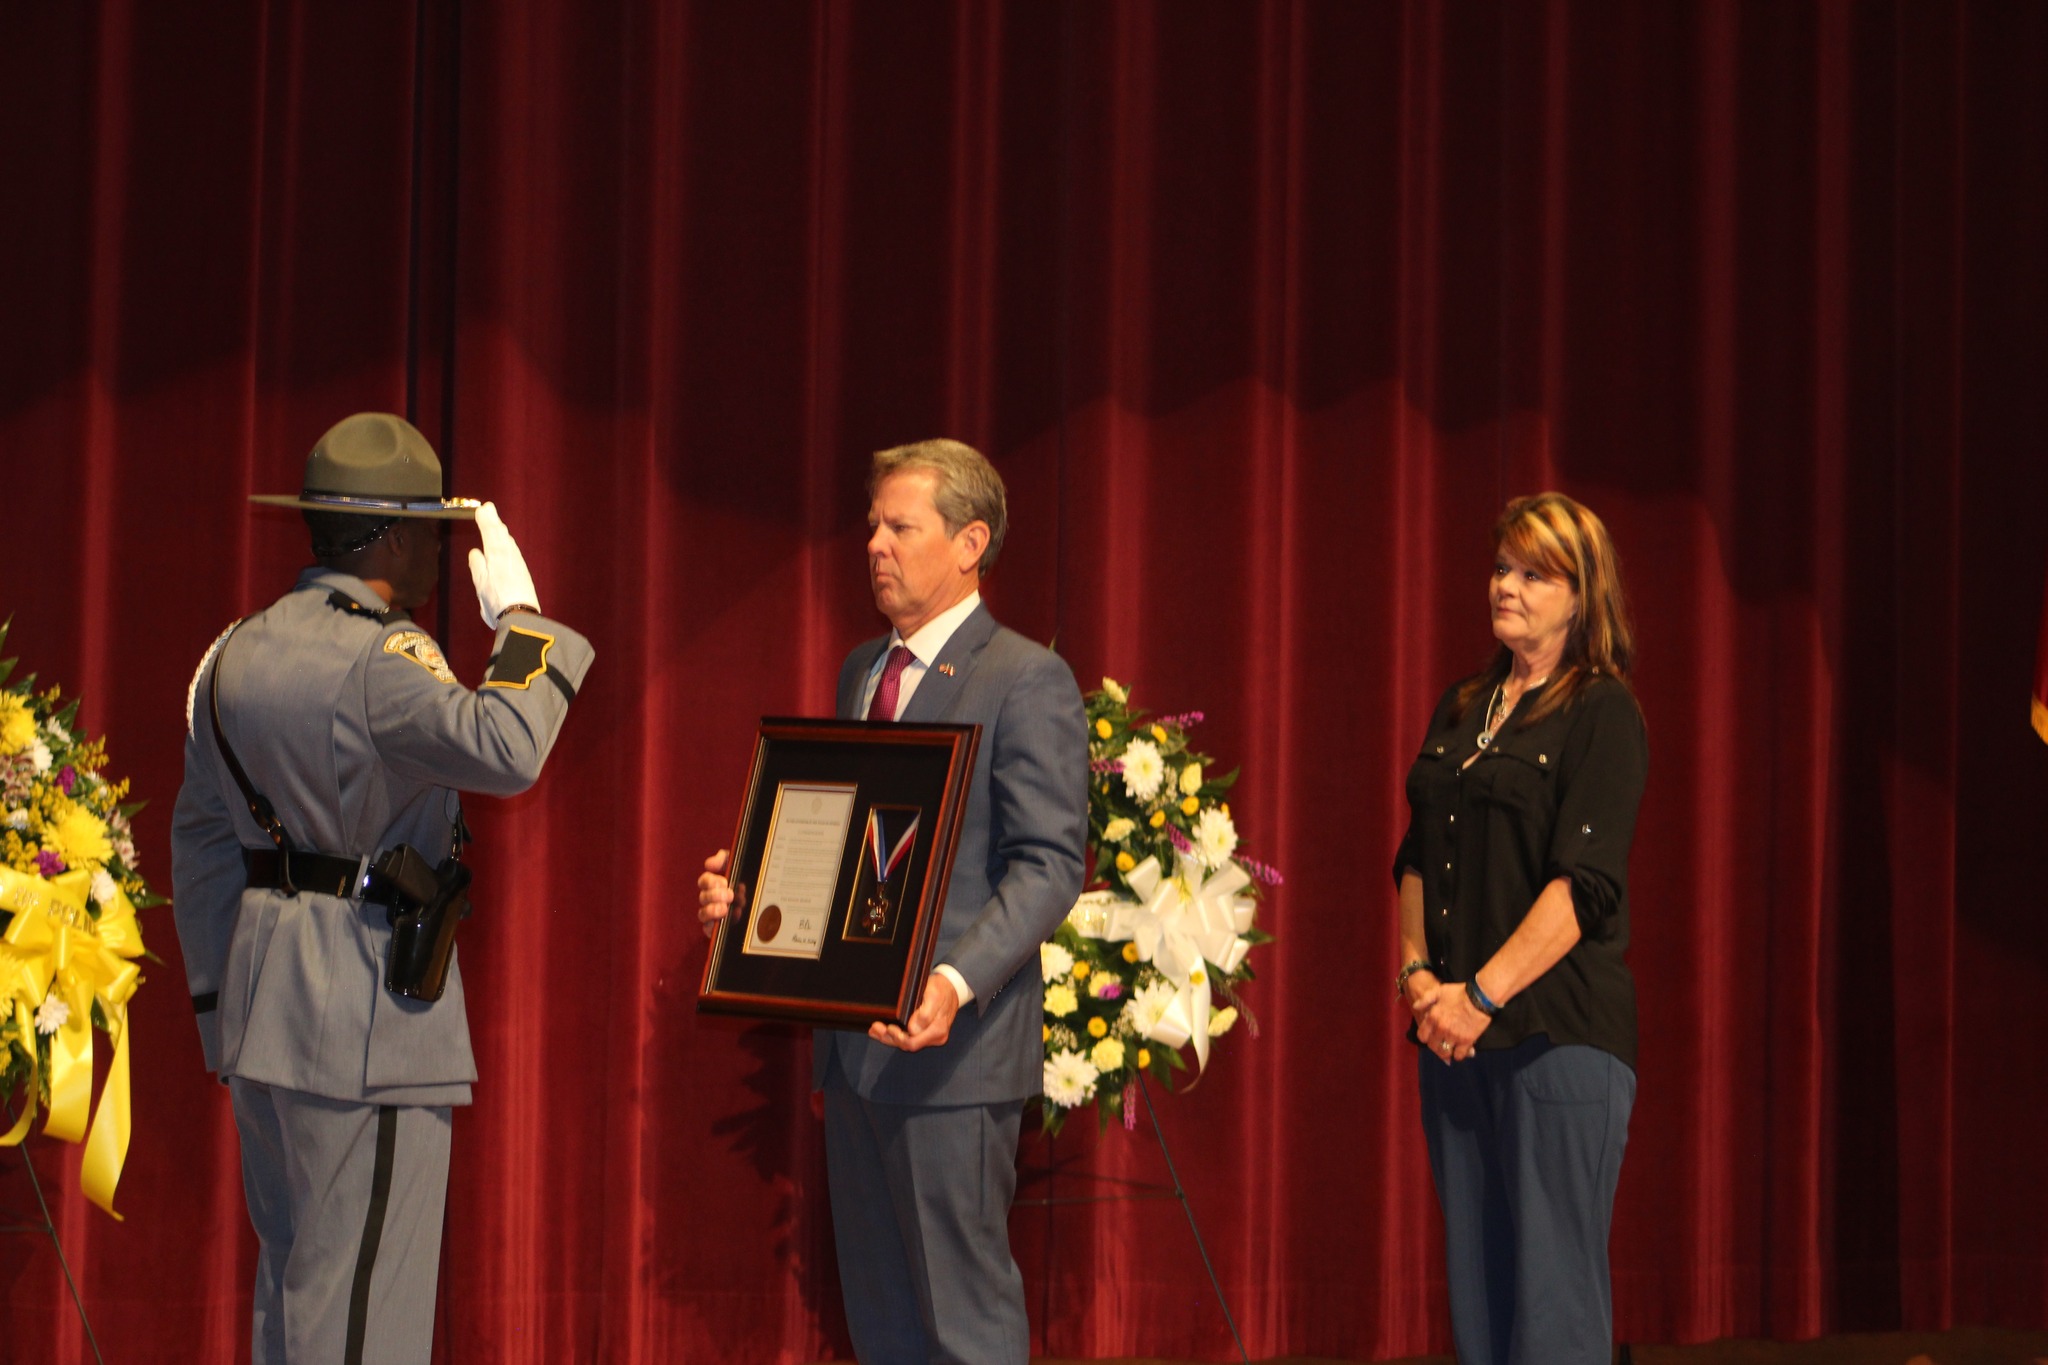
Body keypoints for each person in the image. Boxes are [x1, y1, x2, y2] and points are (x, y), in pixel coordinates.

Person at [171, 412, 594, 1365]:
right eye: (435, 533)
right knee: (365, 1312)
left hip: (263, 1005)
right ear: (396, 538)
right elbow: (507, 745)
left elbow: (198, 840)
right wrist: (522, 625)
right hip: (367, 1012)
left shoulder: (232, 651)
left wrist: (215, 1008)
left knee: (296, 1289)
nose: (443, 556)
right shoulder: (384, 658)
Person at [697, 439, 1087, 1364]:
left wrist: (952, 981)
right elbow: (848, 841)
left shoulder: (1026, 678)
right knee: (883, 1321)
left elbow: (1047, 865)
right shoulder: (863, 670)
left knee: (963, 1318)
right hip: (856, 1055)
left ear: (969, 542)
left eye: (899, 525)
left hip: (954, 1058)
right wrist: (753, 903)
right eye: (872, 523)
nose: (873, 542)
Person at [1393, 491, 1648, 1365]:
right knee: (1482, 1304)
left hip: (1557, 1039)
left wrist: (1481, 995)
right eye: (1502, 567)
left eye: (1533, 573)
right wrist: (1419, 980)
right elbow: (1415, 856)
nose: (1506, 585)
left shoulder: (1601, 711)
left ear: (1580, 595)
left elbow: (1583, 889)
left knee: (1552, 1307)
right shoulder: (1462, 706)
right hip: (1455, 1042)